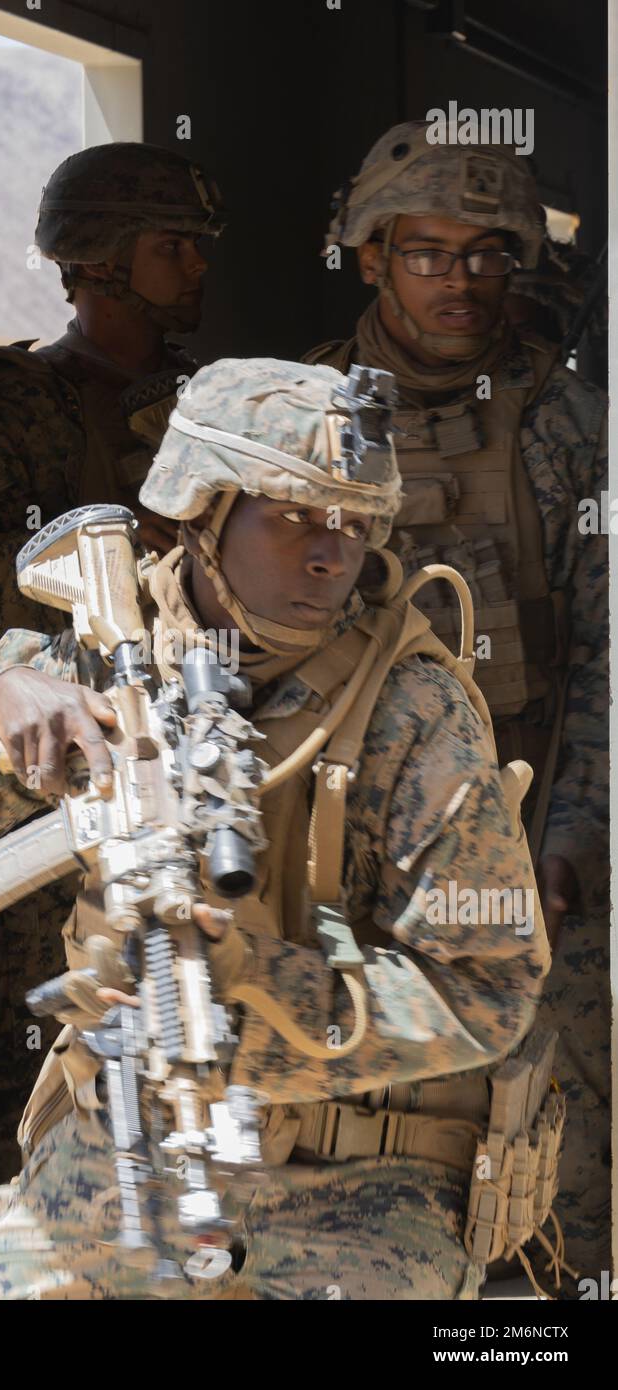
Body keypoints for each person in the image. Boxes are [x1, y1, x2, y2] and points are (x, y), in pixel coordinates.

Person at [0, 357, 554, 1300]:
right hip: (126, 1150)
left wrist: (252, 989)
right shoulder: (105, 655)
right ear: (203, 510)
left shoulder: (414, 709)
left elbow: (488, 989)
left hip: (359, 1183)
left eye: (352, 524)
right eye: (296, 515)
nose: (329, 553)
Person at [304, 121, 609, 1286]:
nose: (461, 281)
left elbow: (602, 653)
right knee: (347, 1164)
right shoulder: (298, 415)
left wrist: (575, 835)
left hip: (532, 860)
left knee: (555, 1169)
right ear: (372, 254)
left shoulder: (567, 426)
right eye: (427, 250)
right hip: (341, 859)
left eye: (488, 253)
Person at [0, 142, 225, 1185]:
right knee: (36, 1073)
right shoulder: (16, 405)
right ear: (99, 259)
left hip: (192, 777)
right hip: (63, 794)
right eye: (172, 246)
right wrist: (102, 549)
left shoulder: (208, 402)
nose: (196, 267)